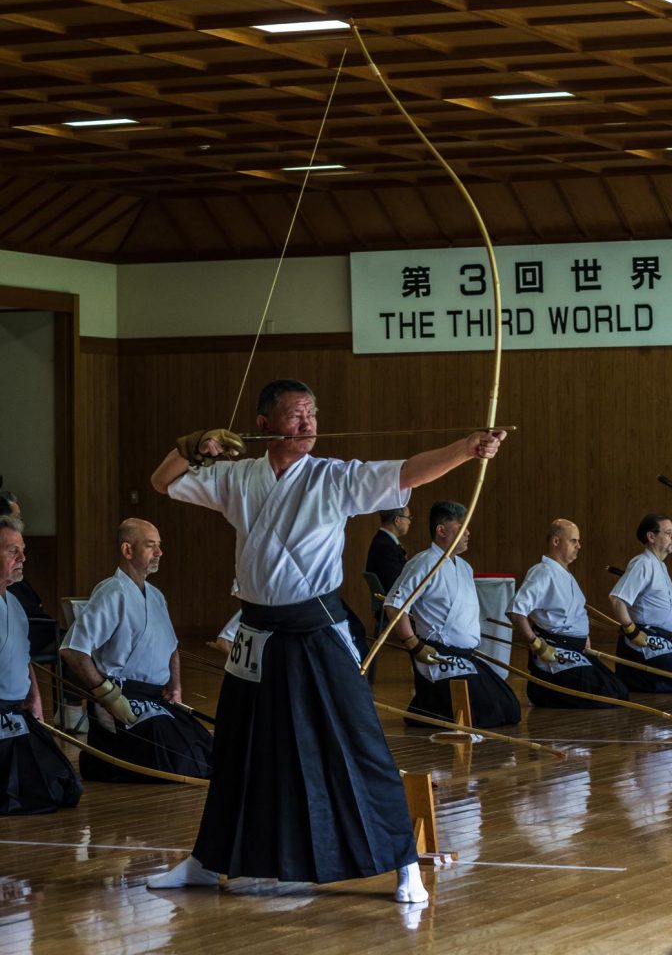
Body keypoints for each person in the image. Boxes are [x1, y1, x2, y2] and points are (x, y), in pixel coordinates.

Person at [146, 378, 505, 901]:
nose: (308, 423)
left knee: (357, 742)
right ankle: (208, 860)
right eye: (296, 414)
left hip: (316, 630)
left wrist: (467, 449)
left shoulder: (334, 477)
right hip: (256, 632)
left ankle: (403, 862)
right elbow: (162, 482)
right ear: (264, 424)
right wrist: (192, 445)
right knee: (237, 746)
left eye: (313, 413)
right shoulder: (237, 477)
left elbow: (407, 472)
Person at [60, 518, 213, 782]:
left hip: (155, 699)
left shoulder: (156, 596)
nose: (159, 552)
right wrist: (107, 696)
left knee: (205, 747)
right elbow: (73, 650)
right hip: (121, 699)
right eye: (151, 545)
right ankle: (100, 761)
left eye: (159, 545)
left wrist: (175, 687)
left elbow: (172, 647)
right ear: (127, 550)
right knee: (182, 759)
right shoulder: (112, 593)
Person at [384, 501, 520, 729]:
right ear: (442, 530)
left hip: (465, 656)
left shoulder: (465, 567)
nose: (468, 533)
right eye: (462, 527)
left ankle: (428, 705)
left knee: (509, 707)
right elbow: (394, 605)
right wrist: (414, 645)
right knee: (484, 713)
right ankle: (427, 707)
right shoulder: (424, 563)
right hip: (437, 654)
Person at [0, 514, 82, 814]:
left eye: (23, 550)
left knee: (63, 785)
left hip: (14, 716)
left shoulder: (14, 604)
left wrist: (34, 701)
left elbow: (24, 660)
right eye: (13, 551)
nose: (23, 558)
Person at [509, 519, 628, 707]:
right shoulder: (542, 572)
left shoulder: (565, 574)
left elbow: (573, 613)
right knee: (608, 694)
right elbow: (516, 612)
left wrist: (584, 637)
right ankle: (542, 688)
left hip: (576, 648)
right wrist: (536, 644)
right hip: (554, 651)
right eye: (573, 541)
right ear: (556, 541)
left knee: (619, 690)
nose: (579, 546)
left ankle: (547, 687)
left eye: (578, 541)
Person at [609, 513, 672, 692]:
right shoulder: (643, 563)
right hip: (643, 640)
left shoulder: (660, 565)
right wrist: (632, 631)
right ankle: (640, 679)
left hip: (660, 640)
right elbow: (617, 599)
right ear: (651, 536)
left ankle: (647, 681)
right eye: (668, 533)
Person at [366, 507, 412, 592]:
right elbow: (395, 585)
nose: (409, 522)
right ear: (397, 520)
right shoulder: (385, 547)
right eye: (408, 517)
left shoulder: (385, 541)